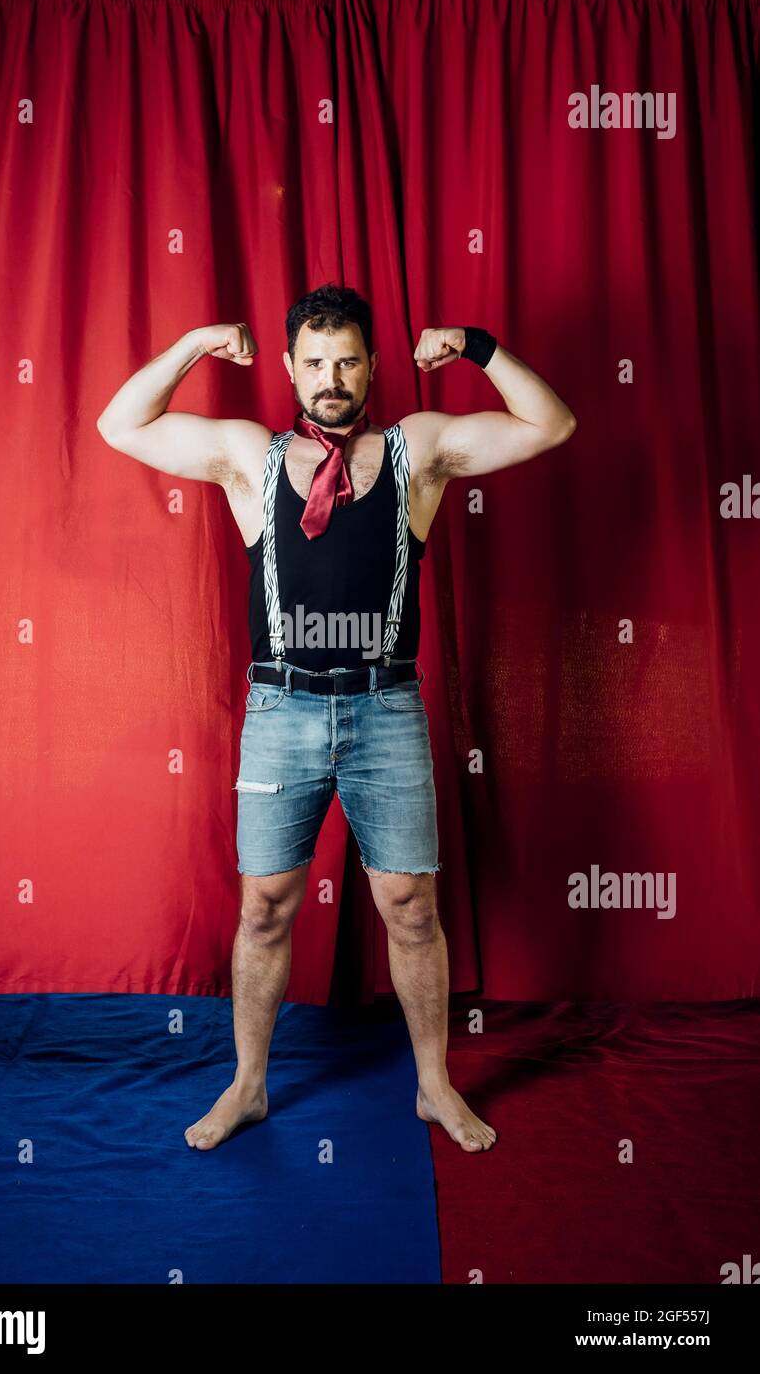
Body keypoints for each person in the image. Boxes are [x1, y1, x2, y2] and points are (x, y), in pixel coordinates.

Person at [96, 284, 576, 1153]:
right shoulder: (251, 455)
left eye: (347, 360)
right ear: (288, 368)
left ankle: (433, 1086)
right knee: (266, 909)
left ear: (371, 367)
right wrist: (199, 341)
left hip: (385, 708)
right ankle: (247, 1086)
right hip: (281, 710)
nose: (331, 377)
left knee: (411, 908)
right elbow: (120, 425)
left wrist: (473, 344)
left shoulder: (415, 451)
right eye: (314, 362)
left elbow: (552, 425)